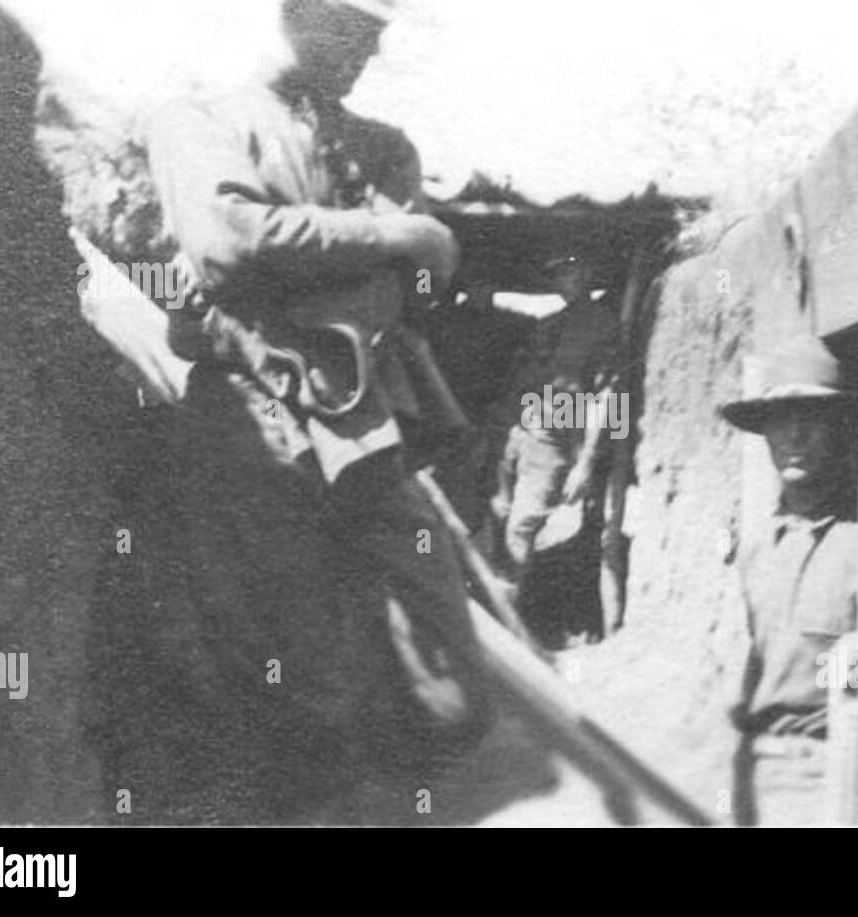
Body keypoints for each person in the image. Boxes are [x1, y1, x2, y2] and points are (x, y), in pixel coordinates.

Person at [143, 0, 492, 818]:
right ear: (293, 17)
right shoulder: (197, 121)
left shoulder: (376, 147)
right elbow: (230, 243)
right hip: (252, 417)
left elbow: (415, 289)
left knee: (452, 678)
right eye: (344, 28)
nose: (360, 53)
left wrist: (394, 245)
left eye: (372, 38)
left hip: (364, 421)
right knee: (287, 665)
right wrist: (394, 236)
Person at [719, 333, 858, 826]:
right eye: (781, 420)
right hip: (748, 769)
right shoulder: (756, 549)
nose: (795, 435)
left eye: (812, 418)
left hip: (827, 773)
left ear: (839, 429)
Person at [492, 254, 621, 628]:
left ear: (588, 275)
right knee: (497, 515)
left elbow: (607, 398)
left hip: (557, 437)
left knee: (521, 526)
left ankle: (509, 629)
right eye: (559, 273)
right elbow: (526, 379)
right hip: (524, 430)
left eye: (573, 271)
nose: (565, 279)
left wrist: (586, 462)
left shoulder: (603, 326)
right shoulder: (548, 324)